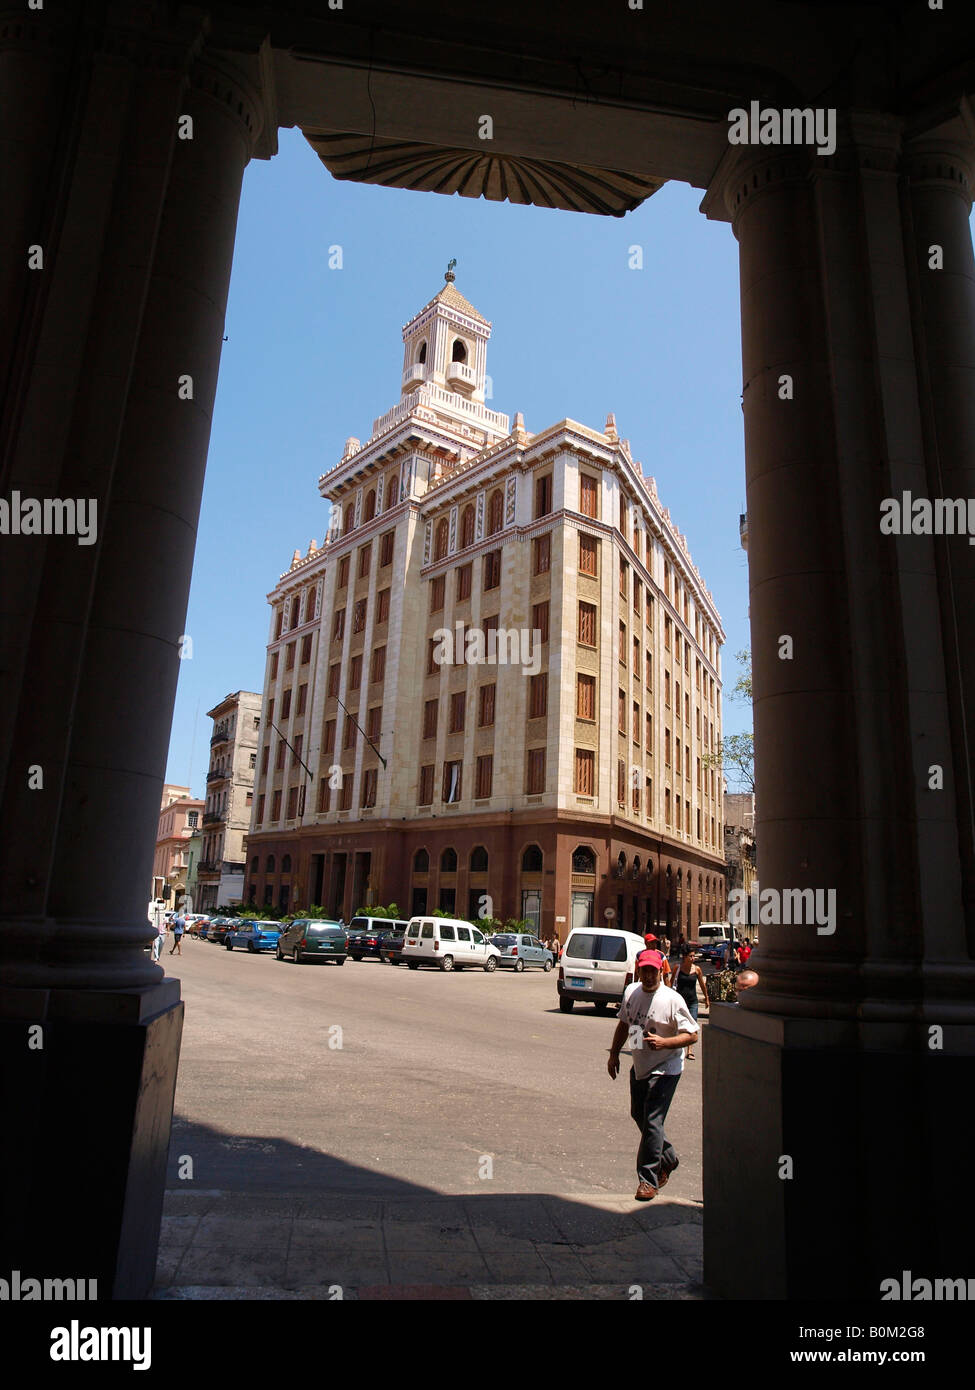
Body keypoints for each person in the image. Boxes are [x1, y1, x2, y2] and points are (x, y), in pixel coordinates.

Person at [607, 949, 698, 1201]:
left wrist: (665, 1043)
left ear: (660, 971)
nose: (648, 976)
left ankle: (648, 1180)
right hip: (641, 1064)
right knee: (639, 1114)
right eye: (644, 970)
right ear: (639, 970)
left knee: (653, 1120)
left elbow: (692, 1034)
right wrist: (614, 1054)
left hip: (666, 1067)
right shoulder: (631, 993)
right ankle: (668, 1159)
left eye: (653, 971)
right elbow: (625, 1024)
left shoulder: (672, 999)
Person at [671, 947, 709, 1059]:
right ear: (685, 957)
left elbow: (702, 984)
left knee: (693, 1024)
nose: (693, 958)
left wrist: (706, 997)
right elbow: (671, 982)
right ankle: (678, 1047)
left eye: (694, 956)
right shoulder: (678, 968)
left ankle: (690, 1050)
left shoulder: (697, 969)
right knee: (678, 1025)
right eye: (690, 956)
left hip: (693, 1001)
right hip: (679, 1002)